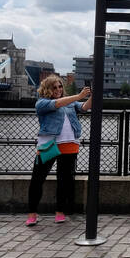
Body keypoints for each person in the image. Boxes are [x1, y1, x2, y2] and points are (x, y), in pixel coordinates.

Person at [27, 75, 91, 225]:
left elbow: (83, 108)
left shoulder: (70, 103)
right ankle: (32, 214)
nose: (58, 90)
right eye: (54, 87)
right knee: (37, 179)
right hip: (48, 144)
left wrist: (92, 96)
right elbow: (56, 104)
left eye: (60, 86)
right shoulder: (42, 103)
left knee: (65, 180)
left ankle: (60, 212)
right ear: (47, 89)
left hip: (70, 144)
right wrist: (79, 95)